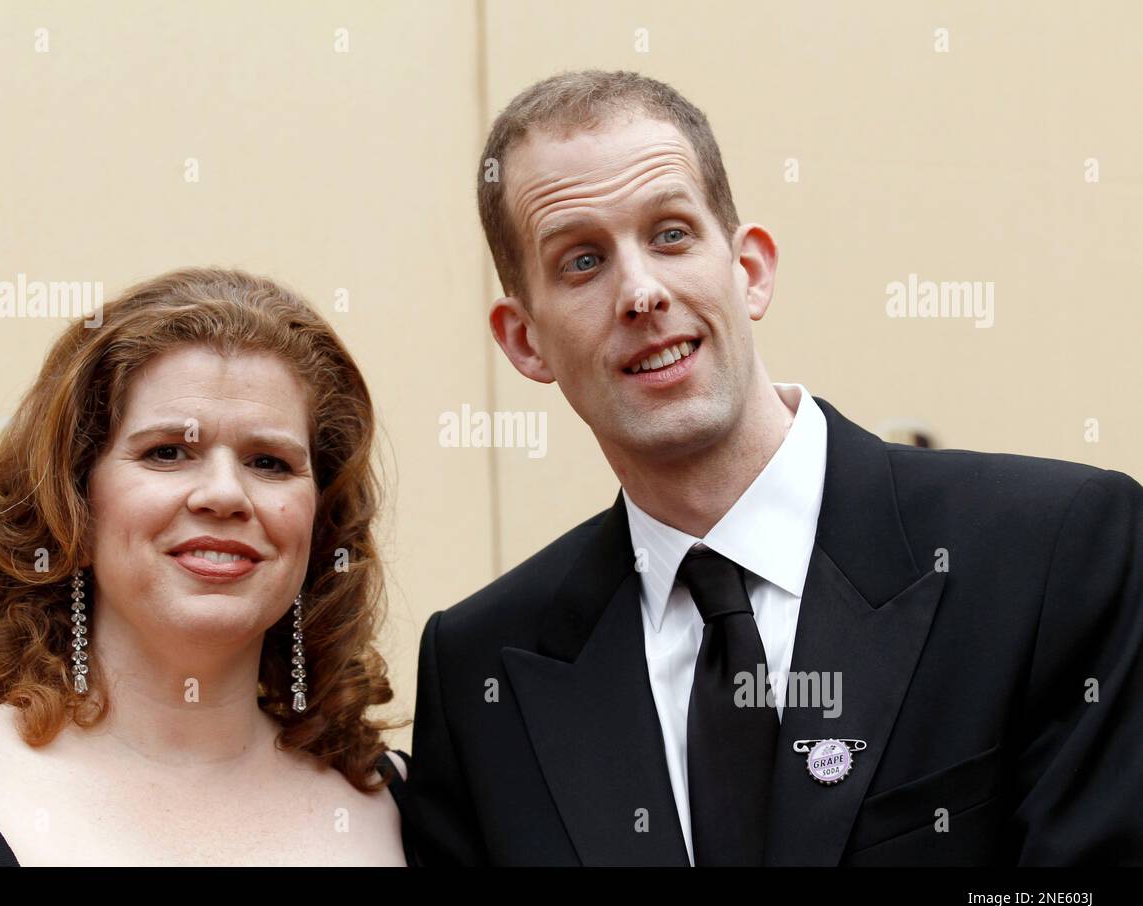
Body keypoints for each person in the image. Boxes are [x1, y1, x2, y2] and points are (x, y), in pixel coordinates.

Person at [401, 70, 1143, 865]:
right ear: (524, 341)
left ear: (749, 270)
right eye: (582, 262)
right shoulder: (481, 672)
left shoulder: (1055, 551)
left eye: (671, 233)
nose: (641, 292)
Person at [0, 268, 413, 866]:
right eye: (167, 452)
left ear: (321, 526)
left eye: (269, 462)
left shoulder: (400, 807)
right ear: (74, 507)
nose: (224, 494)